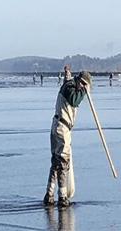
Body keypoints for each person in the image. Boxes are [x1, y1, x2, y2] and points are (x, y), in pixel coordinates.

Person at [44, 70, 93, 206]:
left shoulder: (68, 85)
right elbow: (74, 99)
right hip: (61, 128)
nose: (83, 88)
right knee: (63, 162)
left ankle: (49, 194)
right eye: (83, 85)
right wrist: (84, 92)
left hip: (58, 126)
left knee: (56, 162)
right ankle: (62, 197)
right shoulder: (70, 88)